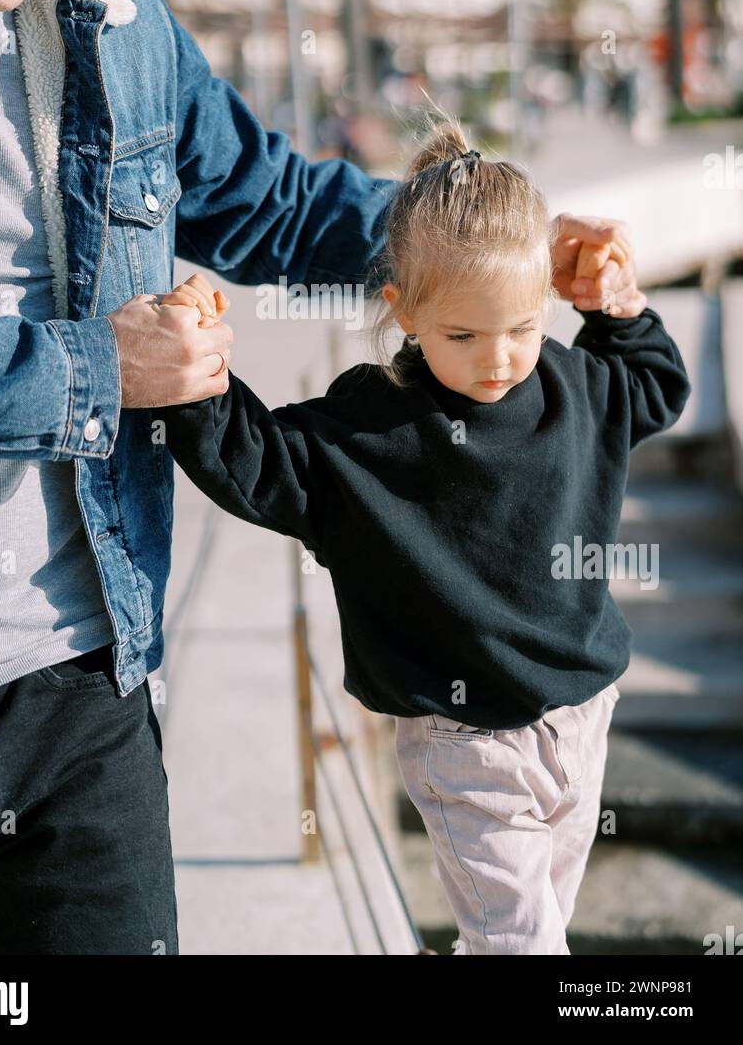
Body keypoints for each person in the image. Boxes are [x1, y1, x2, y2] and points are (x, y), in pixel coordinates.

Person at [0, 0, 645, 956]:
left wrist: (489, 244)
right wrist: (93, 370)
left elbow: (275, 204)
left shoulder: (120, 25)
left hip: (84, 700)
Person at [160, 122, 692, 956]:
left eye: (521, 327)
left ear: (543, 302)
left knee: (533, 930)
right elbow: (257, 463)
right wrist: (193, 376)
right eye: (463, 336)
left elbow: (656, 386)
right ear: (402, 309)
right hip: (463, 745)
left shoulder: (575, 382)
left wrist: (617, 305)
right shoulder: (368, 429)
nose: (498, 358)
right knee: (520, 945)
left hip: (582, 717)